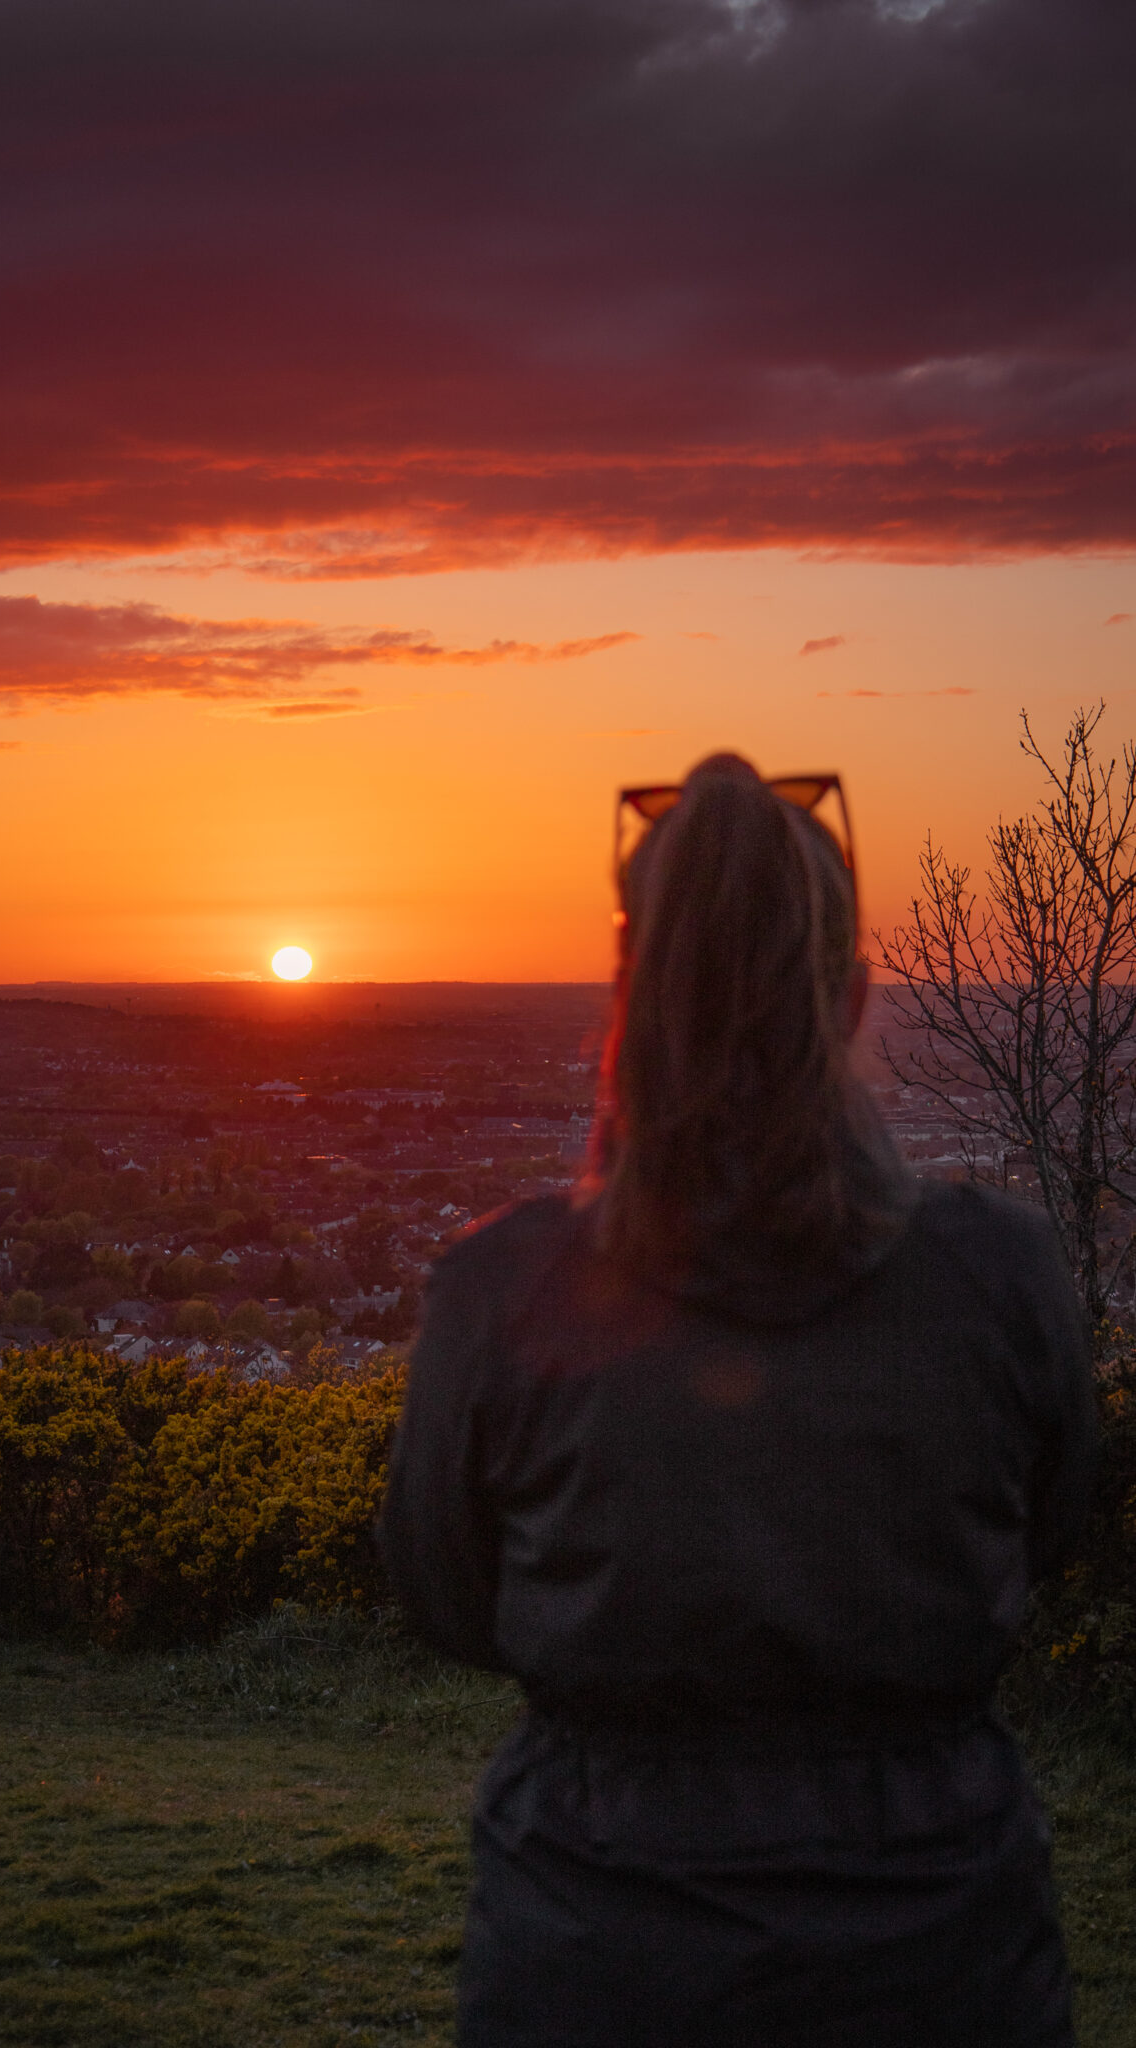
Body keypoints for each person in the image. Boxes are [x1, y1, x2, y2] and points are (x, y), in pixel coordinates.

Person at [377, 754, 1099, 2048]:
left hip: (595, 1959)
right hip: (939, 1960)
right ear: (857, 995)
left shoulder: (504, 1289)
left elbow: (447, 1596)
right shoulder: (1001, 1277)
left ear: (625, 1000)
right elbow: (1049, 1534)